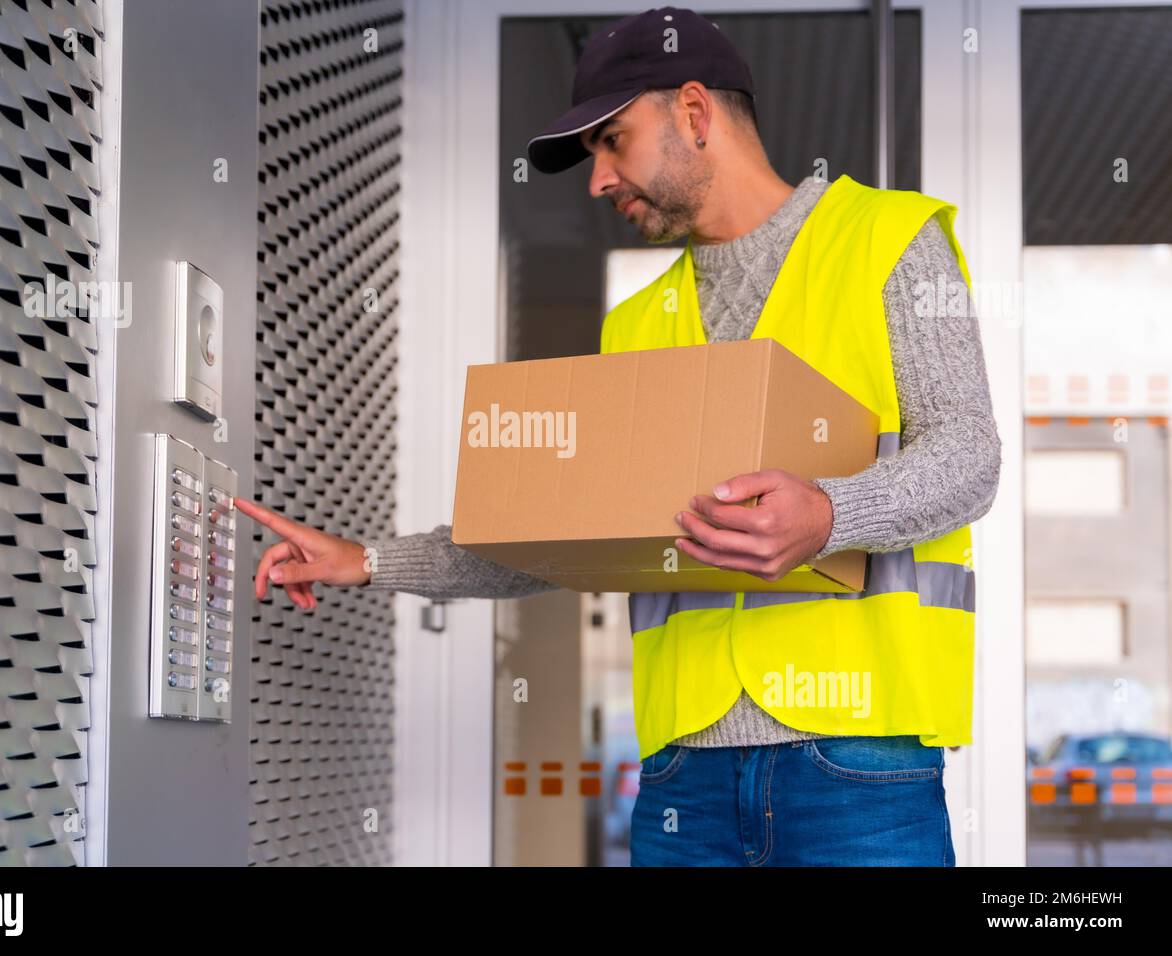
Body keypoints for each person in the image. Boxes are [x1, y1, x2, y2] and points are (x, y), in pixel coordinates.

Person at [234, 5, 1001, 866]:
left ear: (696, 113)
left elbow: (968, 456)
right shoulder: (637, 324)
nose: (598, 180)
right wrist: (367, 560)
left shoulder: (888, 243)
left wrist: (829, 513)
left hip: (859, 765)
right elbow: (555, 543)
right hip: (682, 780)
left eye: (613, 141)